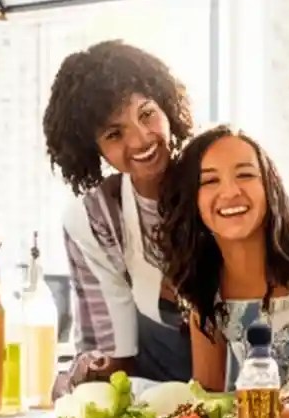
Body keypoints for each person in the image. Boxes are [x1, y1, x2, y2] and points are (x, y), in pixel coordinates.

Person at [154, 125, 289, 418]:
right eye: (210, 180)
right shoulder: (206, 287)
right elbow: (209, 398)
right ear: (191, 201)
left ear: (270, 186)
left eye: (245, 175)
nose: (231, 191)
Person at [42, 40, 194, 391]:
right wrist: (87, 371)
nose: (141, 140)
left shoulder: (213, 183)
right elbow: (116, 353)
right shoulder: (96, 219)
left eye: (146, 114)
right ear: (92, 149)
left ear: (166, 103)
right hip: (158, 400)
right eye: (114, 133)